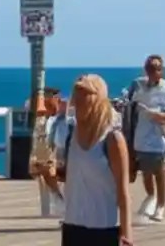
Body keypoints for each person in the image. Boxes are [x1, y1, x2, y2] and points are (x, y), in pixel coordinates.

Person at [58, 75, 133, 246]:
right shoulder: (71, 136)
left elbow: (123, 193)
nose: (77, 104)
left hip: (103, 229)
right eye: (76, 98)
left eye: (83, 98)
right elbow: (69, 179)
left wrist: (127, 235)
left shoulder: (112, 139)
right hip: (73, 228)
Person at [120, 54, 165, 222]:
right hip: (141, 137)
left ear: (162, 70)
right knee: (146, 174)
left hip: (159, 138)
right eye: (150, 68)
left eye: (156, 68)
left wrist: (157, 115)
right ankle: (150, 197)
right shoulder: (140, 87)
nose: (153, 71)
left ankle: (160, 206)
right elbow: (130, 107)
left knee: (159, 174)